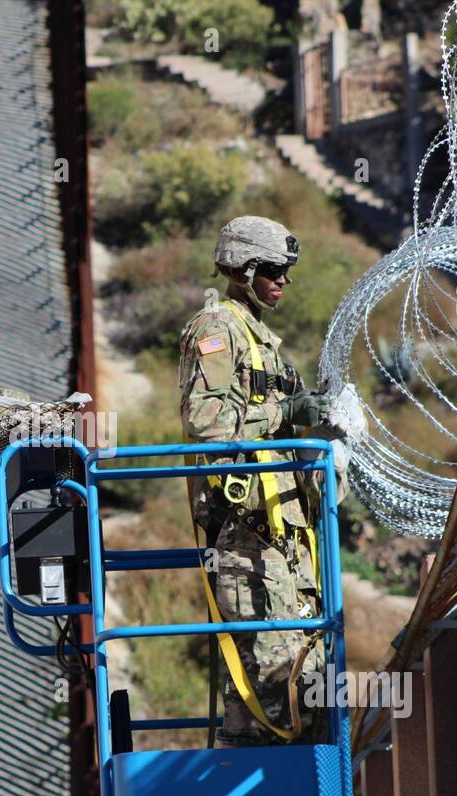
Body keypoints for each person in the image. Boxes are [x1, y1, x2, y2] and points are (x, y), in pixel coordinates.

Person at [177, 215, 343, 747]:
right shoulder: (217, 330)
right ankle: (253, 792)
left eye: (287, 271)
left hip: (281, 535)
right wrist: (284, 412)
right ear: (245, 270)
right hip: (247, 532)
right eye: (274, 270)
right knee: (266, 679)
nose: (284, 281)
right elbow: (207, 427)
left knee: (302, 670)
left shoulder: (259, 340)